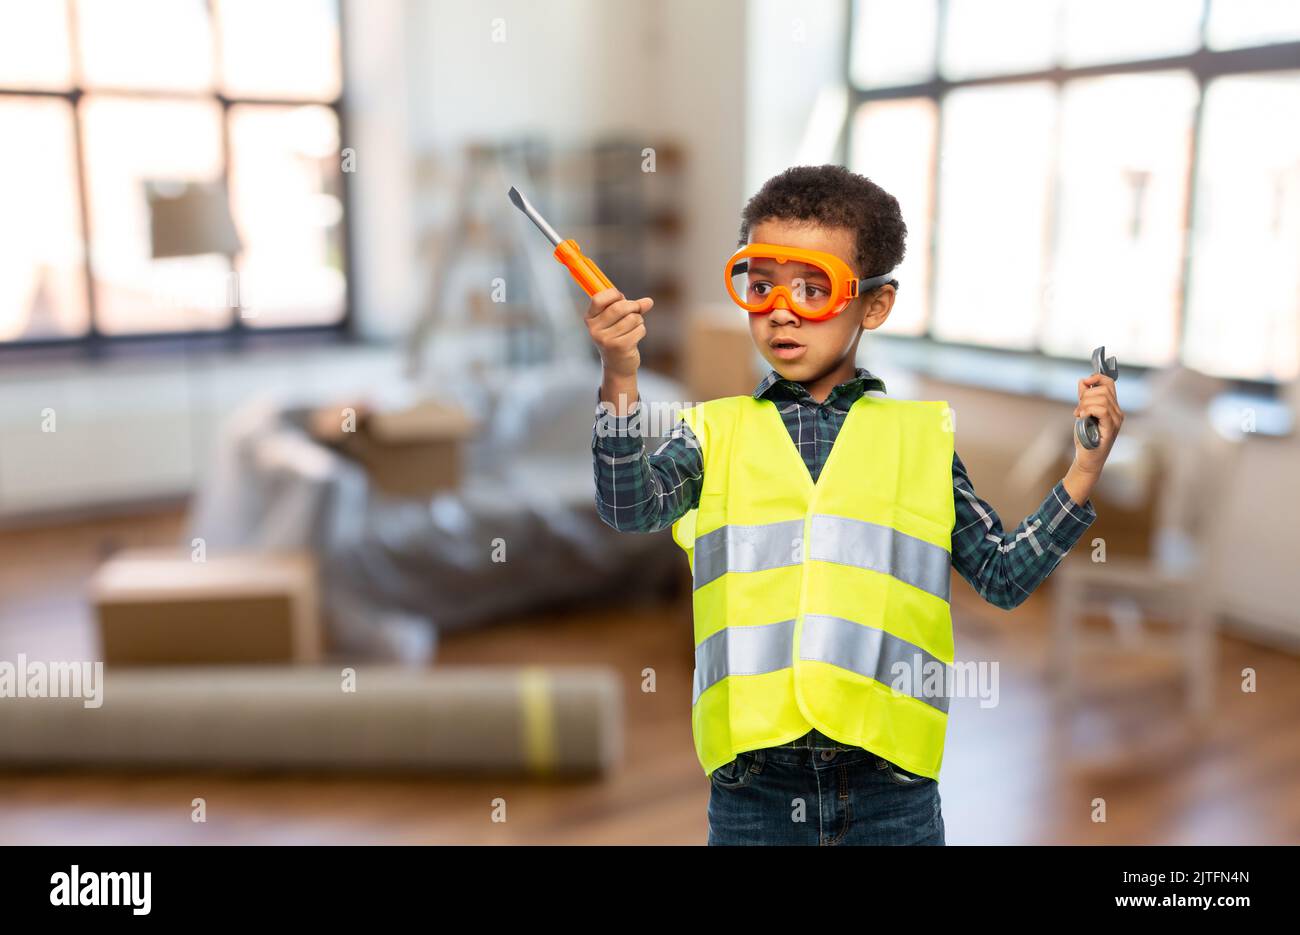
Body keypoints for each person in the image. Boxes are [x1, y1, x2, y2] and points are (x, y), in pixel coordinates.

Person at [587, 164, 1123, 845]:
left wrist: (1085, 466)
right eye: (760, 286)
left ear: (875, 304)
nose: (780, 310)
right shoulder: (711, 432)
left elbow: (1004, 576)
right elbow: (626, 506)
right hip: (753, 784)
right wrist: (619, 379)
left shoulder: (922, 439)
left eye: (812, 288)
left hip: (890, 783)